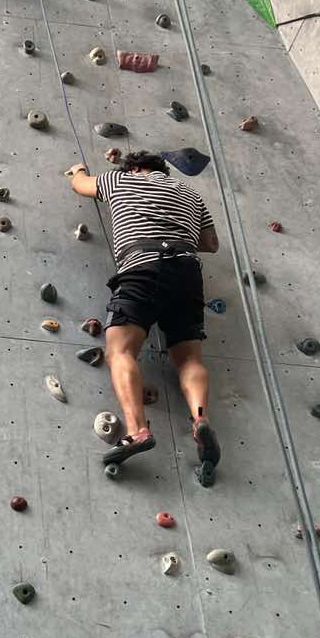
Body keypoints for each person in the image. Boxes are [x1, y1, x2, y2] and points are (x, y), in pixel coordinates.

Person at [67, 149, 222, 484]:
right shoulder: (192, 195)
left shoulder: (120, 179)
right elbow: (211, 243)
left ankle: (137, 430)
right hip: (187, 270)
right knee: (188, 357)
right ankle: (200, 418)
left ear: (134, 167)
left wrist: (77, 169)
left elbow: (82, 185)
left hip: (143, 264)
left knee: (120, 350)